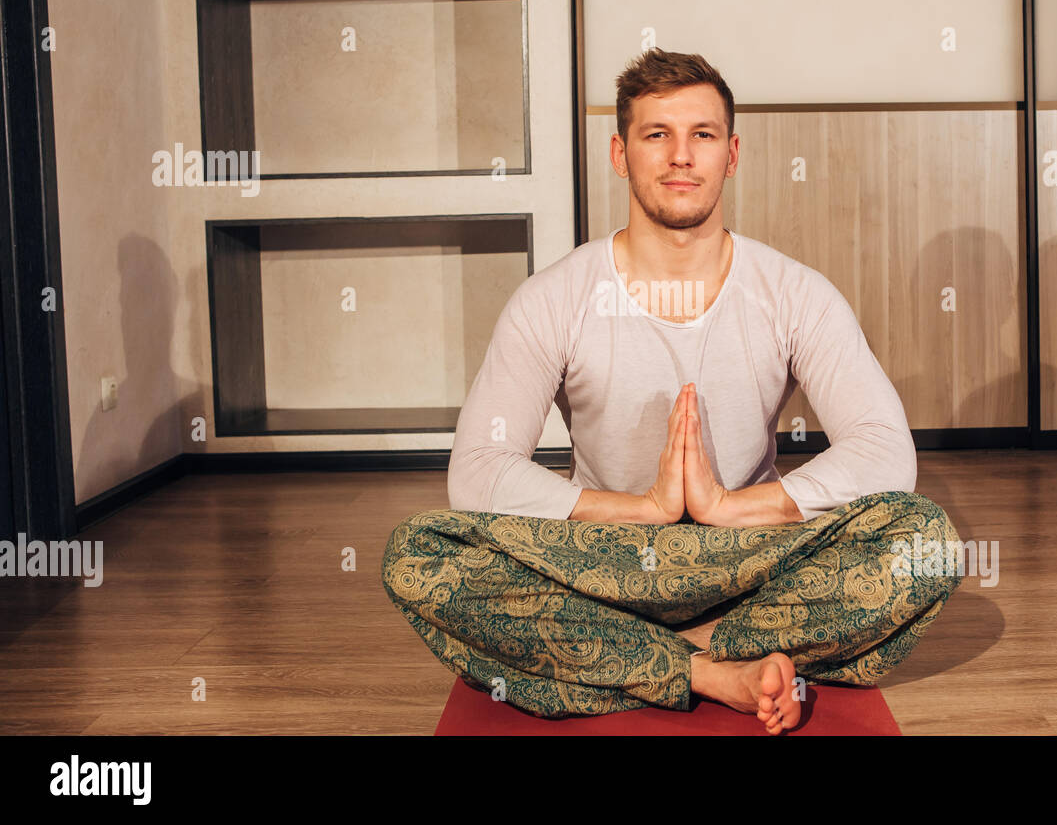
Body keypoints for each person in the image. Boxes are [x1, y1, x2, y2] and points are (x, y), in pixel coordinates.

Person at [382, 48, 963, 734]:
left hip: (745, 560)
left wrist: (725, 506)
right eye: (657, 135)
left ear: (733, 154)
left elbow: (886, 452)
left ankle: (614, 657)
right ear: (620, 153)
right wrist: (643, 510)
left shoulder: (794, 293)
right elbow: (476, 473)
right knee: (419, 549)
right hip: (605, 563)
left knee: (927, 541)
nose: (680, 156)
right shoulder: (554, 299)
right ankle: (716, 666)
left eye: (703, 135)